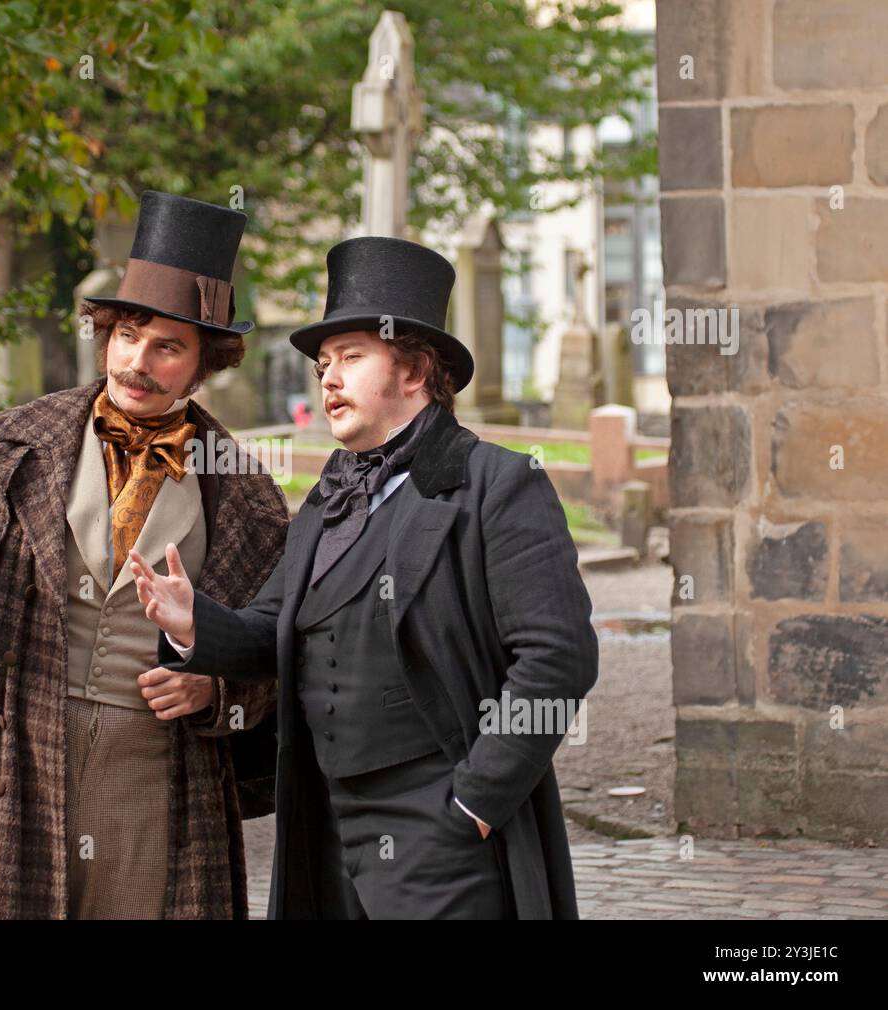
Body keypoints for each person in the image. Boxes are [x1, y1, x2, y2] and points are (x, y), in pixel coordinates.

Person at [0, 191, 287, 918]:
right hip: (5, 754)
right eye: (127, 335)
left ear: (205, 363)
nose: (137, 361)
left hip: (157, 777)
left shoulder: (246, 497)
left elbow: (273, 644)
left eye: (167, 347)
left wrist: (216, 692)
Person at [133, 235, 599, 919]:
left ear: (413, 371)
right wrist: (193, 623)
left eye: (350, 358)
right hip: (325, 821)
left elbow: (559, 659)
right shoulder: (332, 492)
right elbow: (272, 629)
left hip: (442, 830)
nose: (327, 378)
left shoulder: (497, 483)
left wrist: (475, 801)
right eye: (324, 363)